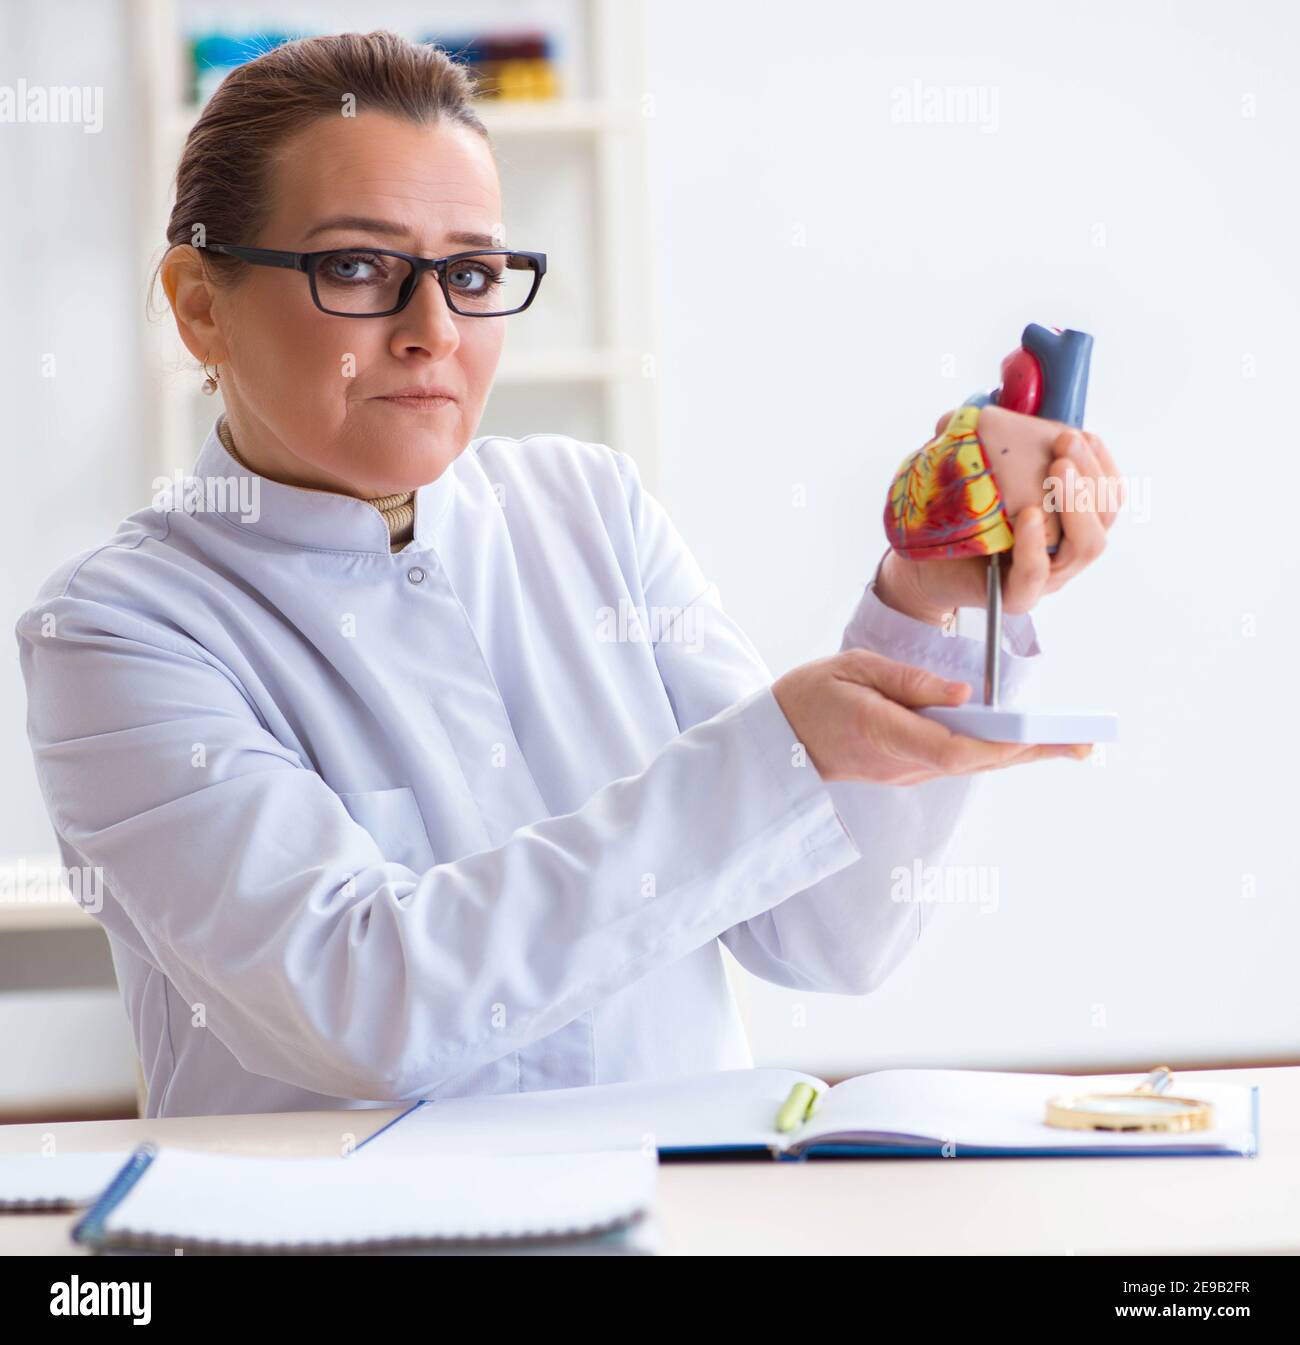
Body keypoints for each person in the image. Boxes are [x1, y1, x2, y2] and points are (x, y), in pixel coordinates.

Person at [16, 32, 1117, 1119]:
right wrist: (778, 750)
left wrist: (931, 597)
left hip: (682, 1221)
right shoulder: (117, 630)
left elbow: (829, 933)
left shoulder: (592, 512)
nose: (432, 330)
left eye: (472, 271)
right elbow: (365, 1005)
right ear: (201, 303)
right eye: (357, 267)